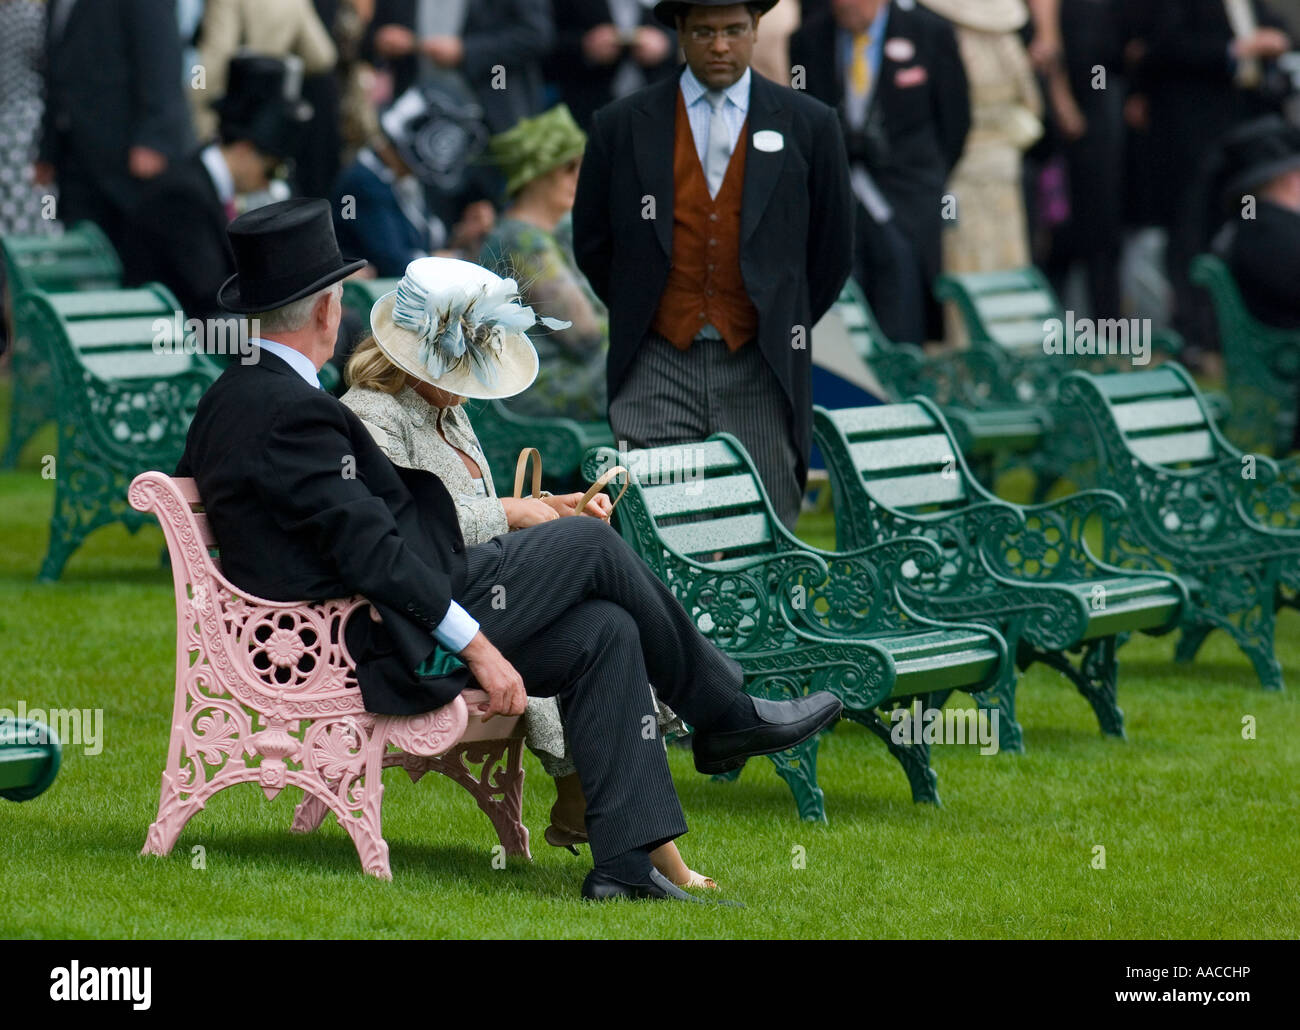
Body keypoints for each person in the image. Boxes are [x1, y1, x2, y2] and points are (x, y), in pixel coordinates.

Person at [176, 198, 844, 902]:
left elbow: (369, 533)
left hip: (361, 625)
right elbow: (375, 553)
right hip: (363, 642)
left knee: (604, 631)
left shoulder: (245, 396)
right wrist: (477, 646)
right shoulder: (290, 410)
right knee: (587, 542)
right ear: (327, 310)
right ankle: (724, 712)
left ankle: (622, 866)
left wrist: (518, 523)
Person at [339, 257, 718, 890]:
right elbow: (396, 539)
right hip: (418, 629)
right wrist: (513, 513)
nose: (468, 381)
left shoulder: (443, 410)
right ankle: (717, 702)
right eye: (463, 362)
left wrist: (550, 508)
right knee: (590, 557)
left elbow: (465, 516)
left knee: (608, 625)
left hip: (471, 605)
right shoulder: (371, 416)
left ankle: (634, 859)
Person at [573, 0, 854, 530]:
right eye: (704, 31)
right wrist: (649, 310)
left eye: (733, 30)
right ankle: (668, 619)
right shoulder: (619, 125)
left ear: (755, 31)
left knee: (765, 528)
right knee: (657, 527)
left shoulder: (811, 125)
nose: (720, 45)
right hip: (655, 360)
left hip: (761, 362)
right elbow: (593, 242)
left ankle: (765, 617)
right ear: (680, 32)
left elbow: (832, 251)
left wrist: (774, 316)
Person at [790, 0, 970, 344]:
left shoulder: (929, 31)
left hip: (906, 198)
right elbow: (803, 116)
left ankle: (906, 387)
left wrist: (923, 181)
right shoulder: (808, 38)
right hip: (839, 198)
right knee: (841, 308)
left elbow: (955, 120)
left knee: (904, 305)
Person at [126, 55, 313, 323]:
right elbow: (210, 289)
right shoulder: (182, 195)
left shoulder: (206, 183)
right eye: (272, 169)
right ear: (245, 150)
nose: (271, 181)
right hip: (173, 328)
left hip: (207, 321)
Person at [480, 105, 609, 423]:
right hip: (540, 387)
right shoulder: (522, 240)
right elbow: (584, 336)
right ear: (535, 176)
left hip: (564, 375)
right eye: (568, 168)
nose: (580, 177)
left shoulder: (542, 233)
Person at [36, 0, 191, 257]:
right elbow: (57, 73)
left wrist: (155, 137)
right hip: (75, 157)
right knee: (84, 254)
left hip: (125, 159)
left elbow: (161, 58)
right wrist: (47, 150)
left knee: (132, 257)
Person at [920, 0, 1041, 308]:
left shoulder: (944, 41)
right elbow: (1032, 103)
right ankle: (1012, 332)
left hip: (962, 165)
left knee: (962, 252)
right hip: (1002, 163)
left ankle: (965, 340)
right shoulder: (1008, 43)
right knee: (1006, 253)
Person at [332, 81, 495, 277]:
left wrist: (461, 238)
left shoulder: (404, 178)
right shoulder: (363, 183)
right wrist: (451, 261)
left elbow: (425, 245)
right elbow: (393, 263)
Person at [365, 0, 554, 133]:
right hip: (418, 117)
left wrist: (466, 51)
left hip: (491, 114)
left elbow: (535, 34)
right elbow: (366, 38)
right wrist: (380, 39)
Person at [188, 0, 338, 141]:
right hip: (266, 115)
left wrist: (197, 98)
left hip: (231, 112)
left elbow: (212, 59)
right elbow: (323, 57)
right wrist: (280, 66)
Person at [547, 1, 678, 131]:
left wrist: (667, 44)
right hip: (588, 110)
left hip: (657, 109)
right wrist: (584, 46)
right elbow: (545, 44)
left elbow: (688, 32)